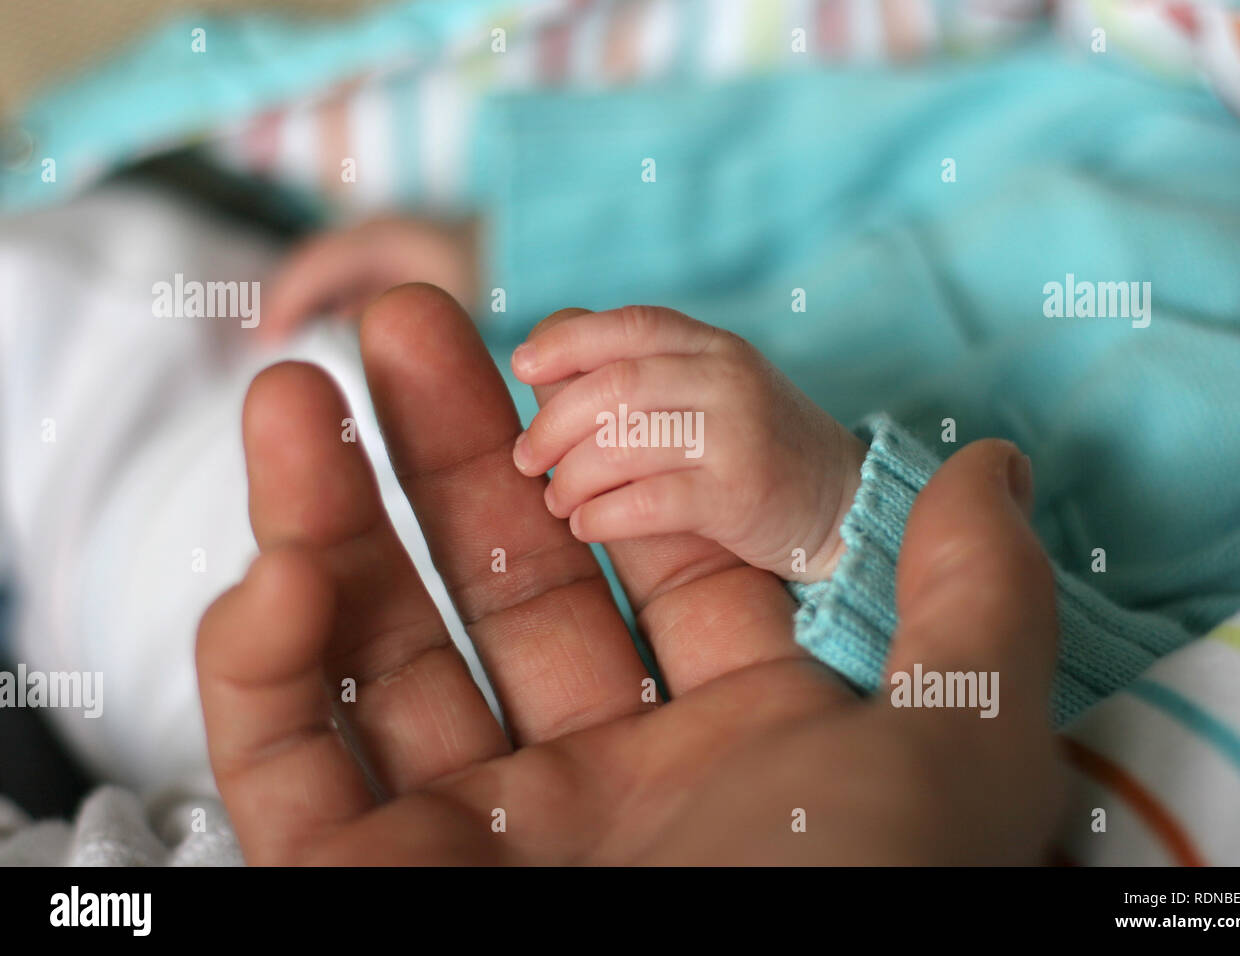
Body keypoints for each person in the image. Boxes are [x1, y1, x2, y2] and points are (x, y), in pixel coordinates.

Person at [196, 283, 1065, 864]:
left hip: (623, 646)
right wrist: (844, 521)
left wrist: (836, 512)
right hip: (684, 625)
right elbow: (1073, 723)